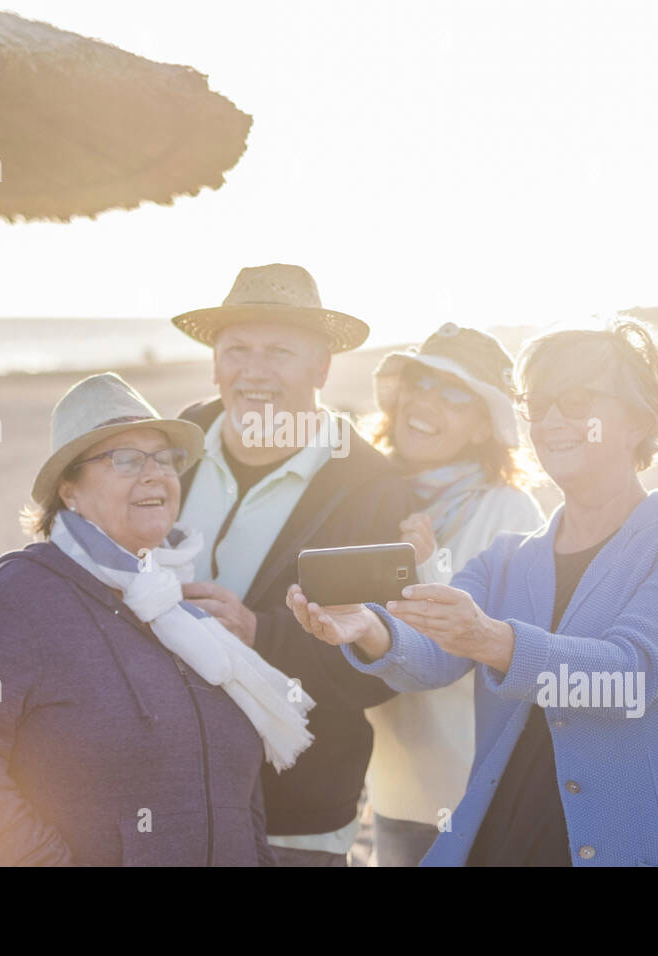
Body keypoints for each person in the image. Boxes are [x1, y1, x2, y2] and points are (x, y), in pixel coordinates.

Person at [287, 318, 658, 866]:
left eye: (576, 401)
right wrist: (370, 630)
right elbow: (432, 659)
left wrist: (491, 640)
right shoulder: (508, 557)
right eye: (540, 403)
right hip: (508, 842)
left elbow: (629, 678)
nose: (551, 421)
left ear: (638, 421)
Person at [0, 372, 313, 865]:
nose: (154, 473)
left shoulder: (180, 607)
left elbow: (239, 791)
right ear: (70, 490)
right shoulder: (19, 597)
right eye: (124, 459)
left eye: (163, 459)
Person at [169, 263, 408, 866]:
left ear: (322, 367)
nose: (254, 371)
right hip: (161, 789)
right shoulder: (173, 442)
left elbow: (374, 668)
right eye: (237, 350)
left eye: (279, 351)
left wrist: (258, 633)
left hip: (295, 811)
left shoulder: (370, 484)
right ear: (215, 361)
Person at [361, 323, 544, 866]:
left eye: (455, 394)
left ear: (483, 426)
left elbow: (507, 647)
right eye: (420, 382)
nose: (426, 401)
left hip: (475, 785)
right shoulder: (361, 492)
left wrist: (428, 567)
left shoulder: (511, 512)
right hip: (391, 779)